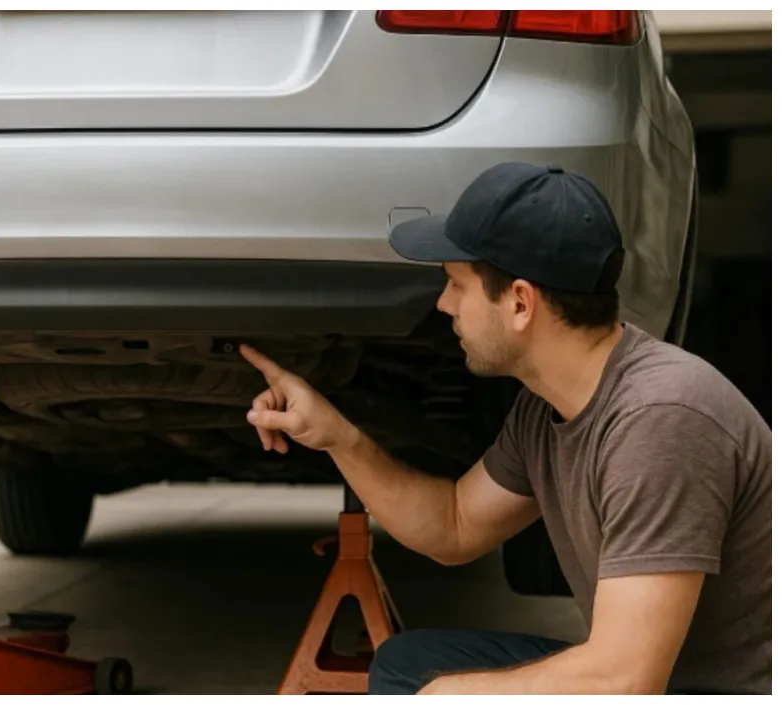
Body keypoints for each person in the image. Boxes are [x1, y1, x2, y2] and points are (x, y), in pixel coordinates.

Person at [240, 162, 771, 695]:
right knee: (410, 664)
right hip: (653, 677)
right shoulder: (547, 408)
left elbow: (624, 678)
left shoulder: (660, 418)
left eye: (455, 284)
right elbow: (454, 526)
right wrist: (337, 435)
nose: (443, 303)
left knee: (442, 689)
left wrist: (452, 695)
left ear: (520, 303)